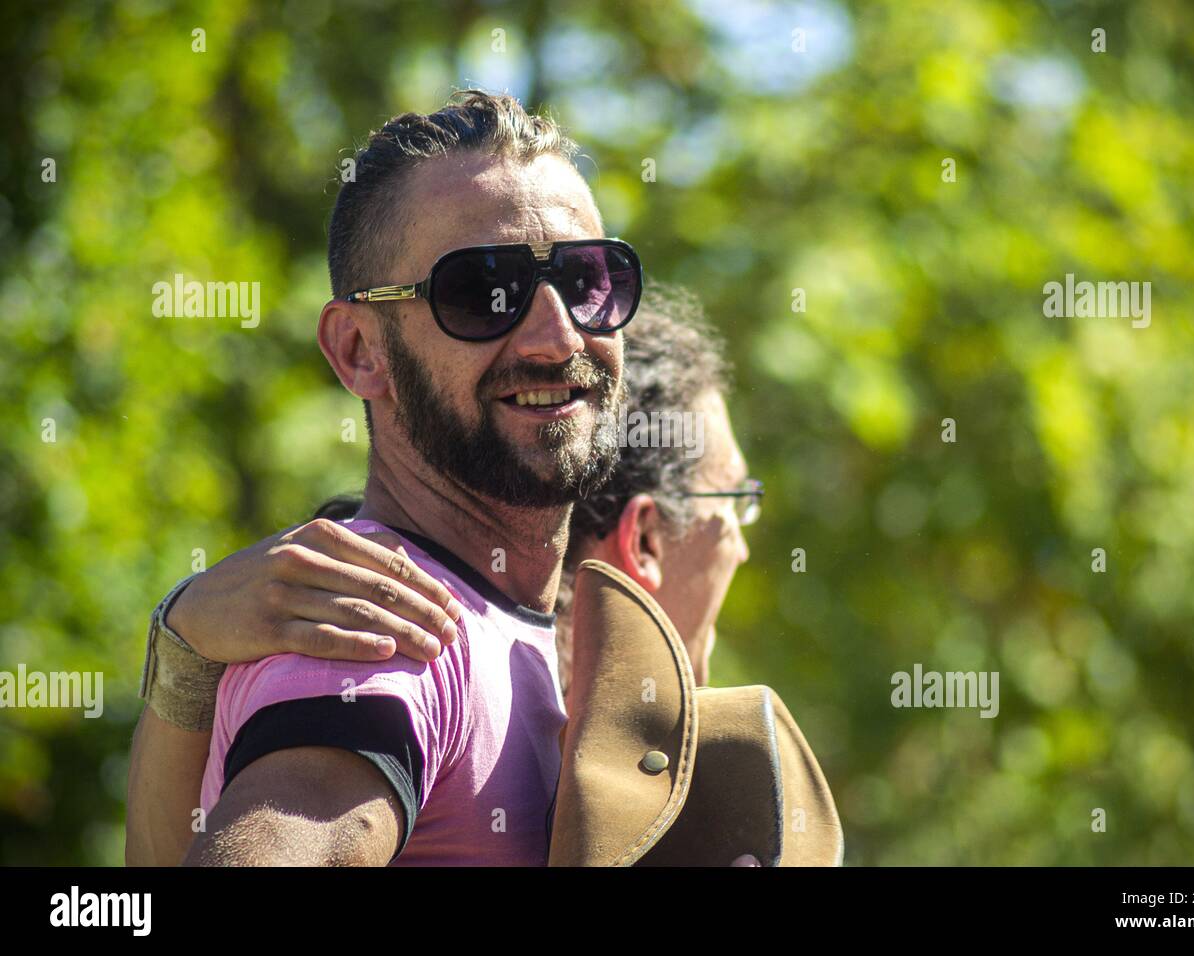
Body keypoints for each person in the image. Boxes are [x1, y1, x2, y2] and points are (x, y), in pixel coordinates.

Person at [130, 90, 641, 866]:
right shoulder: (374, 630)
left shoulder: (530, 629)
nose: (555, 335)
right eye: (483, 292)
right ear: (360, 351)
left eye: (585, 279)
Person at [128, 283, 761, 865]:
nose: (741, 547)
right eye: (736, 503)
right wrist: (182, 642)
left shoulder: (530, 670)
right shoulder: (397, 626)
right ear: (644, 537)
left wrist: (181, 645)